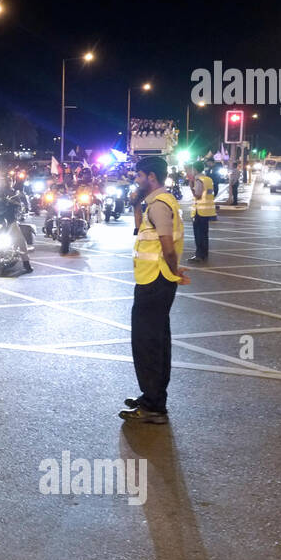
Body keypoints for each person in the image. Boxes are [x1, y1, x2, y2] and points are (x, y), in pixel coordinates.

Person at [121, 155, 190, 426]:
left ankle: (153, 405)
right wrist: (136, 203)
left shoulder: (160, 205)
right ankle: (153, 397)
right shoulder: (155, 203)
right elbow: (140, 231)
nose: (135, 180)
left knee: (147, 342)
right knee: (157, 340)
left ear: (151, 177)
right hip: (155, 279)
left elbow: (167, 245)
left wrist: (175, 270)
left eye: (138, 176)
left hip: (156, 280)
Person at [189, 164, 217, 262]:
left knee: (198, 234)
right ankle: (204, 253)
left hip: (199, 211)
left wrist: (191, 187)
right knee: (204, 233)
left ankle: (199, 255)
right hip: (207, 211)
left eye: (192, 169)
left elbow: (197, 195)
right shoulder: (208, 179)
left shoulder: (199, 180)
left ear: (195, 170)